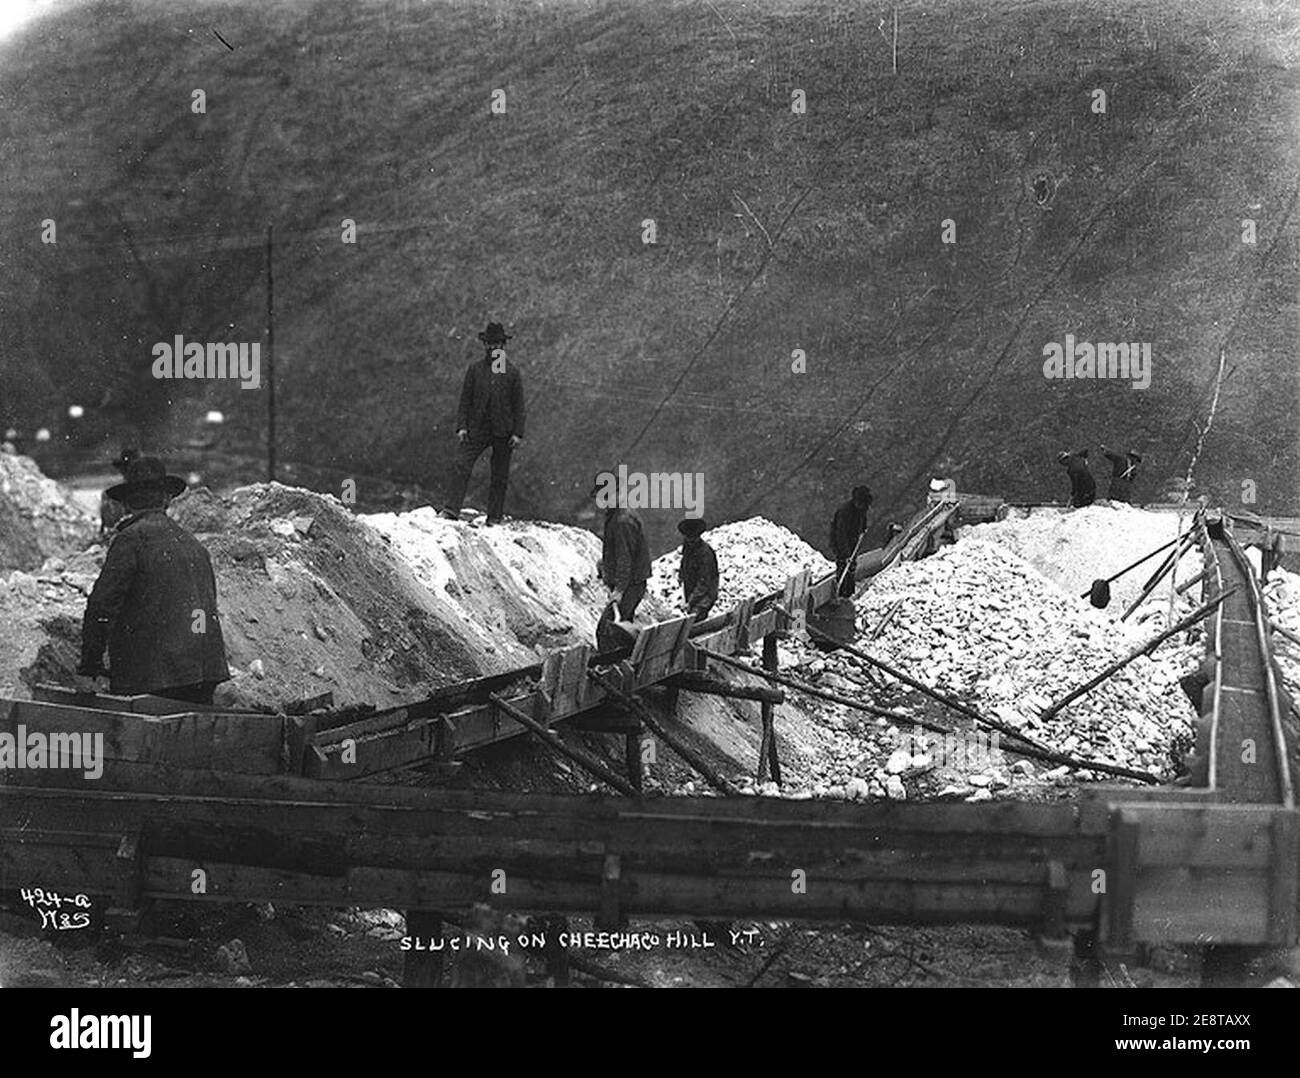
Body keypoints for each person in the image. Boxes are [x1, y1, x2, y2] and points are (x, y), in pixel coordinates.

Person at [75, 457, 230, 704]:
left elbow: (102, 605)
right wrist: (194, 650)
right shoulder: (194, 546)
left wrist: (89, 667)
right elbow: (200, 611)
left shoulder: (130, 540)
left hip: (153, 680)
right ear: (167, 499)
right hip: (203, 674)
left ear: (126, 504)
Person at [443, 322, 525, 524]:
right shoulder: (475, 370)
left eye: (497, 344)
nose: (493, 348)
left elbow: (519, 406)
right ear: (485, 345)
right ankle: (451, 510)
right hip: (477, 428)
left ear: (503, 346)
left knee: (499, 476)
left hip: (503, 431)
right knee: (461, 464)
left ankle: (494, 517)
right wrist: (462, 426)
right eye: (490, 344)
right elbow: (465, 400)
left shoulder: (512, 373)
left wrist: (517, 433)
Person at [595, 481, 650, 650]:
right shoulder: (617, 514)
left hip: (629, 585)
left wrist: (619, 590)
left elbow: (625, 559)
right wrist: (605, 564)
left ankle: (610, 669)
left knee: (606, 631)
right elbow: (620, 550)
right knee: (620, 632)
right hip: (632, 583)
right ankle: (626, 662)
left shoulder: (622, 520)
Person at [830, 485, 873, 598]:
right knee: (843, 565)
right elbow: (840, 535)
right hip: (840, 541)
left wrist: (863, 527)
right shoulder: (844, 512)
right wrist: (845, 554)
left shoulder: (862, 508)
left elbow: (862, 520)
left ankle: (849, 593)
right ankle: (840, 594)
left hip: (853, 540)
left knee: (852, 567)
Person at [677, 517, 719, 622]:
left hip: (705, 596)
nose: (690, 541)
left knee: (694, 621)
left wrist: (690, 602)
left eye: (693, 539)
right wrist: (681, 575)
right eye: (688, 538)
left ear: (698, 536)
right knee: (689, 620)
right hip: (691, 591)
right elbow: (684, 563)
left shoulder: (705, 553)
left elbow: (704, 583)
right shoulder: (688, 547)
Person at [99, 447, 139, 535]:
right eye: (126, 468)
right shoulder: (111, 496)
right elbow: (109, 525)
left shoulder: (154, 493)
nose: (129, 472)